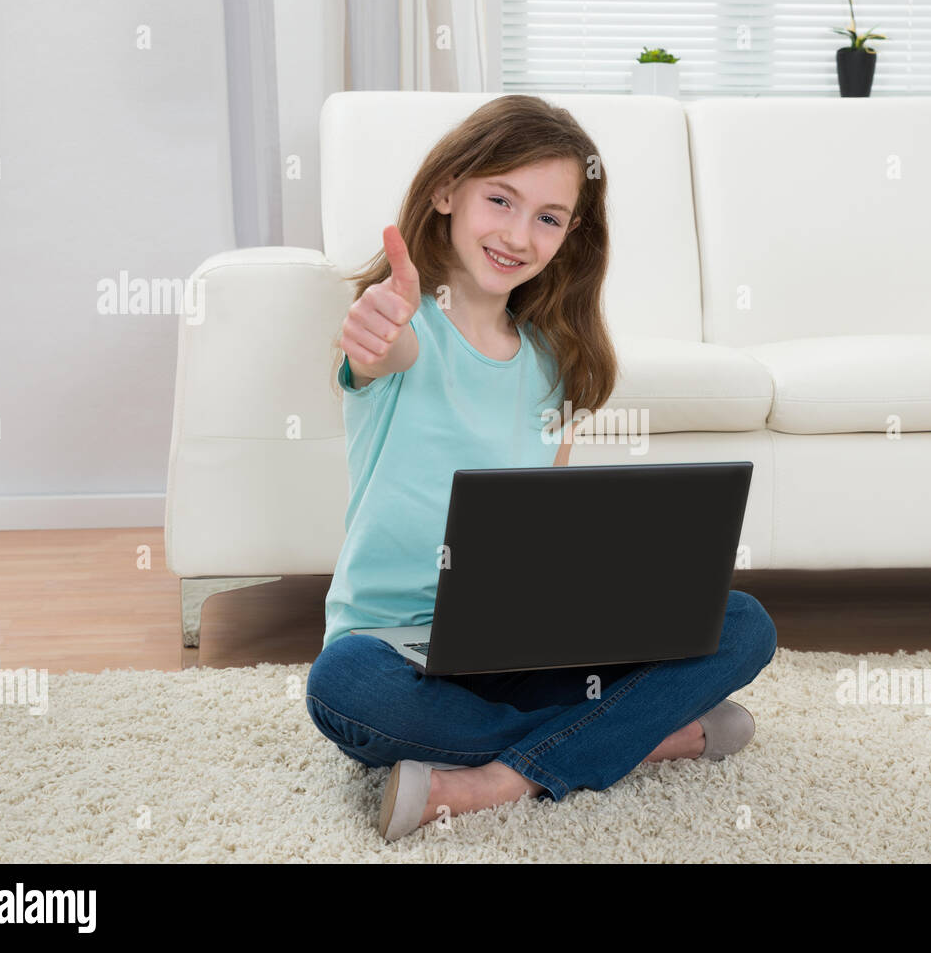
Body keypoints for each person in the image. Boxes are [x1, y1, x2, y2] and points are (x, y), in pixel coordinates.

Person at [305, 94, 777, 842]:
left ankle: (499, 777)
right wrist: (375, 332)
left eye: (549, 217)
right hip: (394, 649)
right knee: (342, 689)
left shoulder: (554, 366)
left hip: (517, 651)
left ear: (571, 234)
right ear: (447, 190)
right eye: (501, 200)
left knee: (745, 623)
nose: (519, 236)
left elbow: (542, 539)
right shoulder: (403, 327)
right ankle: (647, 736)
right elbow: (378, 353)